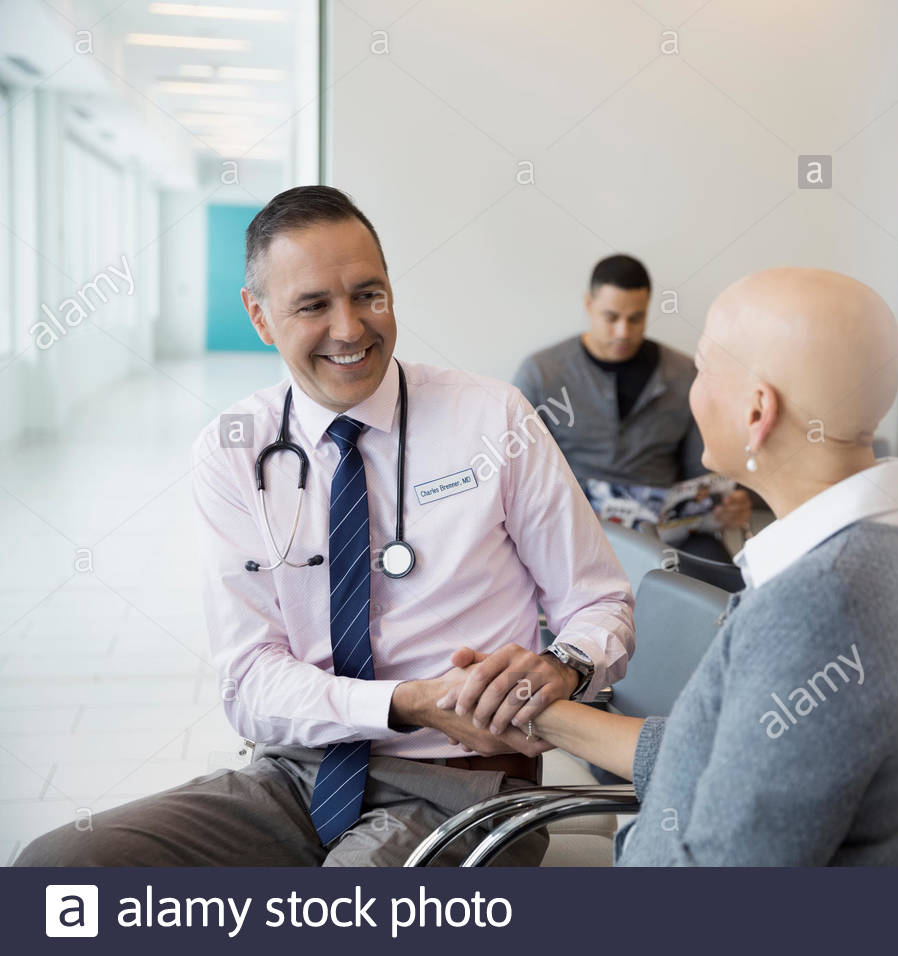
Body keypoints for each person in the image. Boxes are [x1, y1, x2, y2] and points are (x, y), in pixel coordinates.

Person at [16, 186, 634, 867]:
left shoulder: (494, 420)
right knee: (58, 869)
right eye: (312, 305)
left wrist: (565, 667)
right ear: (259, 316)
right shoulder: (234, 449)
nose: (349, 328)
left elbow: (597, 602)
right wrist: (408, 702)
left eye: (369, 294)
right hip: (297, 772)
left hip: (465, 784)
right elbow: (250, 682)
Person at [448, 267, 898, 865]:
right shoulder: (891, 546)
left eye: (702, 369)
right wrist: (541, 713)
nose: (689, 390)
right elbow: (718, 744)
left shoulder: (818, 606)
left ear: (757, 411)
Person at [513, 254, 751, 560]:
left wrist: (727, 507)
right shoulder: (542, 373)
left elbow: (703, 475)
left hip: (665, 534)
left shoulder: (684, 374)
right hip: (571, 530)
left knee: (721, 578)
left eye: (636, 318)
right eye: (611, 317)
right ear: (589, 305)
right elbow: (518, 473)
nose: (623, 332)